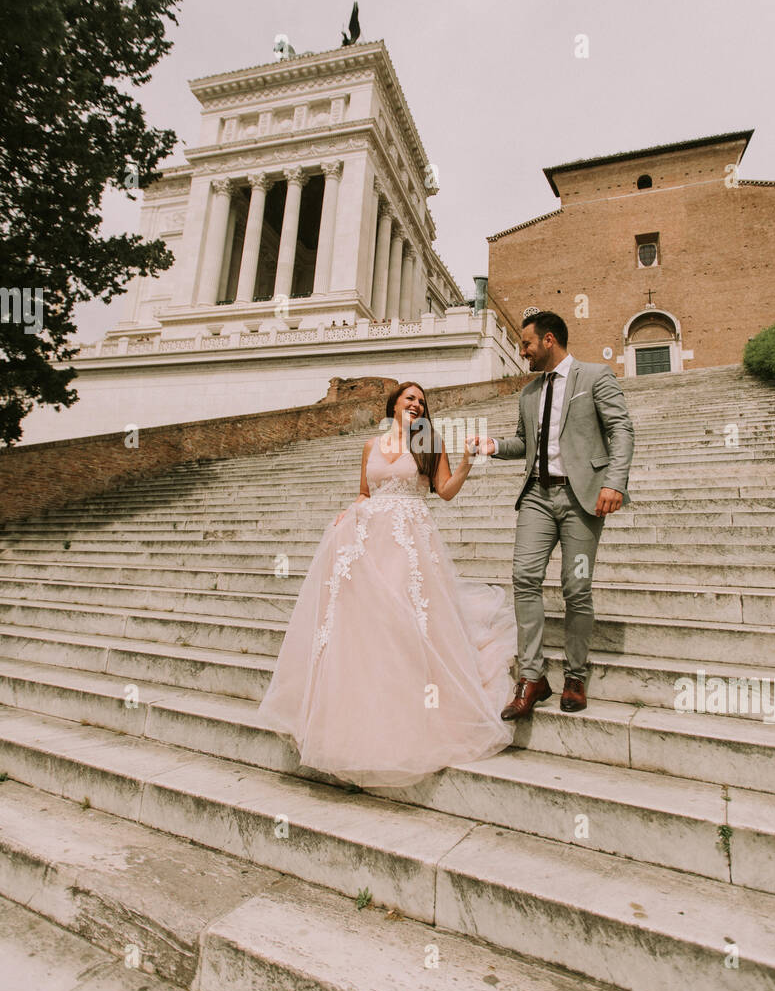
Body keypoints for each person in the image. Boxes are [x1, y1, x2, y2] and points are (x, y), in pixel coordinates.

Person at [255, 381, 516, 787]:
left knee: (407, 621)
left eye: (422, 402)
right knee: (369, 627)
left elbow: (444, 492)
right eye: (410, 398)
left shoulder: (429, 443)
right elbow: (364, 493)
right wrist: (348, 513)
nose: (416, 404)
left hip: (410, 542)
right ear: (394, 404)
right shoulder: (370, 446)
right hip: (368, 541)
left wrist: (465, 462)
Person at [471, 311, 635, 720]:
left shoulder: (595, 376)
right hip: (537, 499)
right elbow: (525, 444)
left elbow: (622, 430)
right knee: (524, 578)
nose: (521, 351)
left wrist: (614, 482)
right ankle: (532, 677)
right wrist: (493, 445)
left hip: (582, 499)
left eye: (525, 344)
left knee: (576, 588)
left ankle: (576, 676)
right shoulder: (528, 393)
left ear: (548, 340)